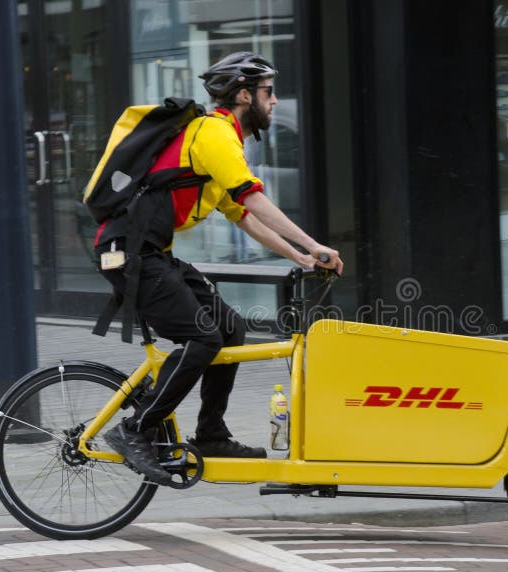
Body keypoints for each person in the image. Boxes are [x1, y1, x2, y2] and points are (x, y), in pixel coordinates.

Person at [96, 51, 343, 484]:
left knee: (229, 328)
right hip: (127, 253)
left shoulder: (220, 138)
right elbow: (252, 198)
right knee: (202, 336)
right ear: (244, 95)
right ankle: (135, 429)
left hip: (151, 252)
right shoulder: (214, 132)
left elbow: (242, 215)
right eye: (268, 92)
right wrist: (313, 243)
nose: (274, 101)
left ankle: (210, 434)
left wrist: (302, 258)